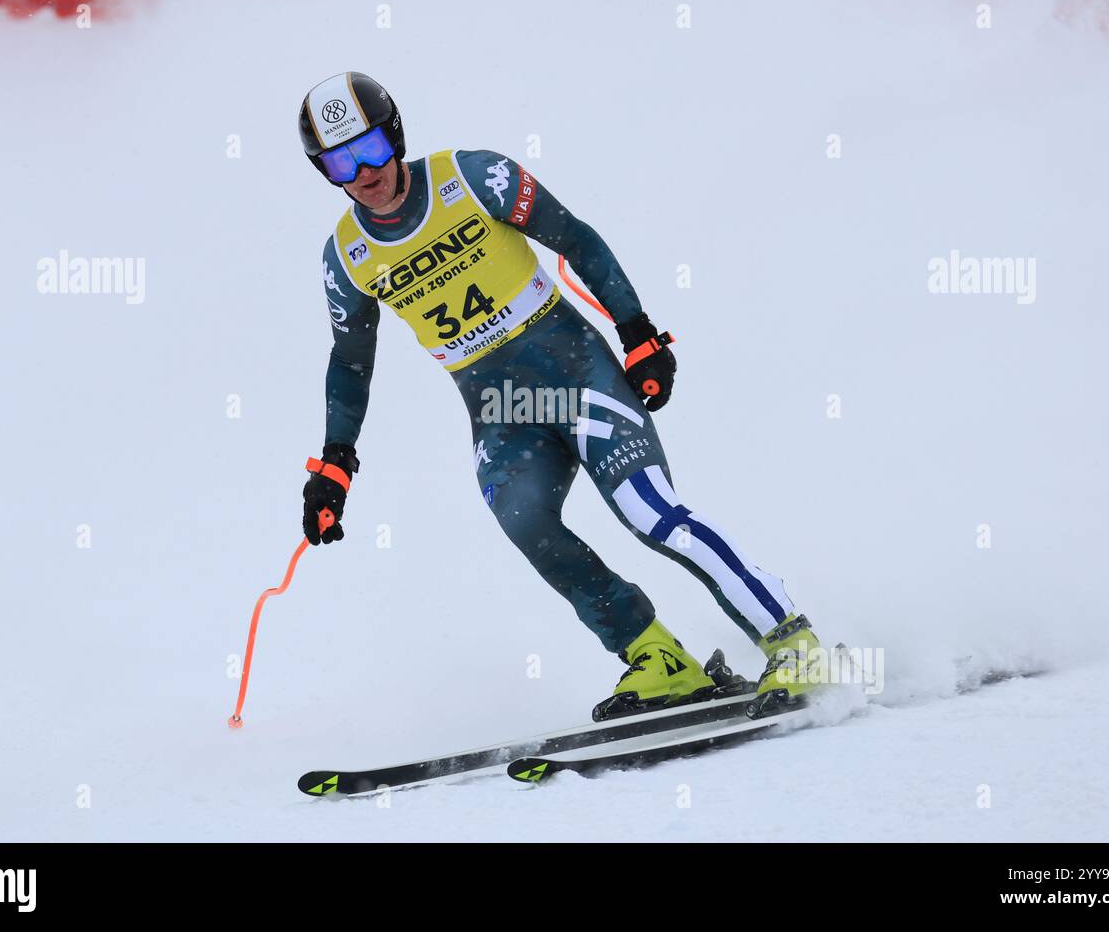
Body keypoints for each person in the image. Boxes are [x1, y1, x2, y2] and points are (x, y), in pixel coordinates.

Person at [298, 71, 823, 718]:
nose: (364, 172)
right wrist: (335, 466)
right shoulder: (346, 256)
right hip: (500, 408)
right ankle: (657, 659)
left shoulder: (474, 177)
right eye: (340, 162)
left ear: (396, 136)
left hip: (574, 371)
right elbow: (350, 363)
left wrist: (637, 334)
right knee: (527, 523)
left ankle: (793, 639)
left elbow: (574, 238)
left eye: (373, 148)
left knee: (650, 513)